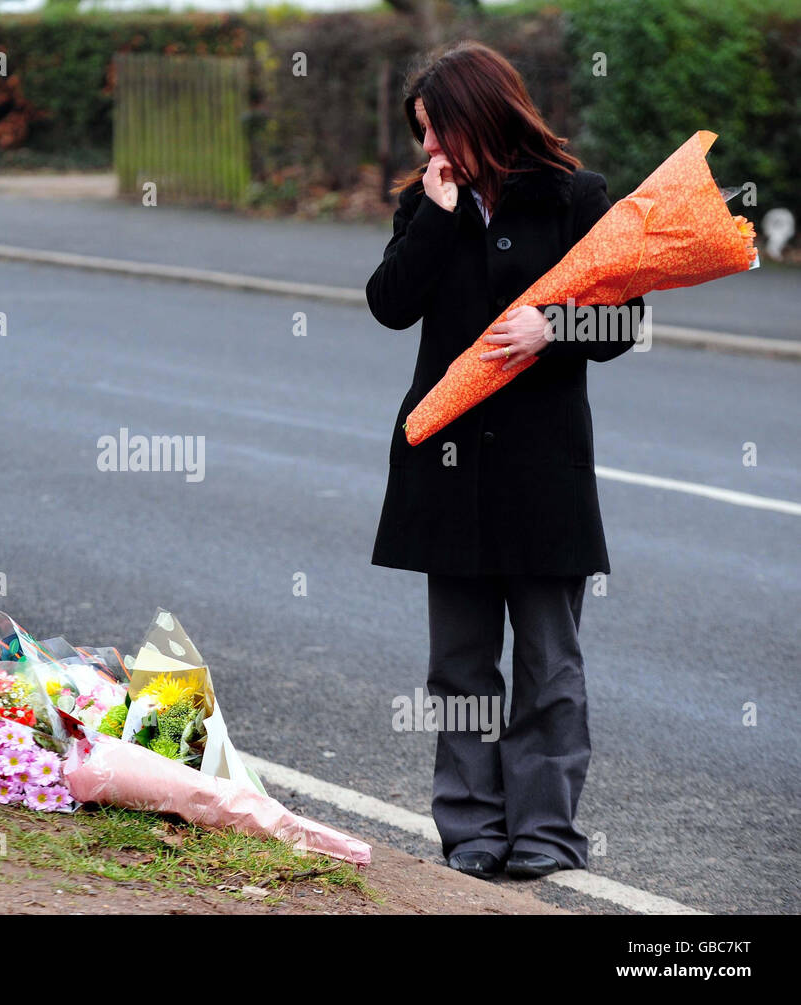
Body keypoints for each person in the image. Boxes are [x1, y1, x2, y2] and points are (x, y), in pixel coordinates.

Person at [365, 40, 646, 881]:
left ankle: (545, 835)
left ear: (477, 118)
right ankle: (475, 831)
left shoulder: (576, 198)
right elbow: (389, 305)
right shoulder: (427, 203)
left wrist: (556, 327)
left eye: (435, 131)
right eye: (420, 134)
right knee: (459, 664)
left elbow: (626, 322)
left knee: (549, 664)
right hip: (444, 471)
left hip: (542, 474)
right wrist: (438, 218)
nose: (426, 151)